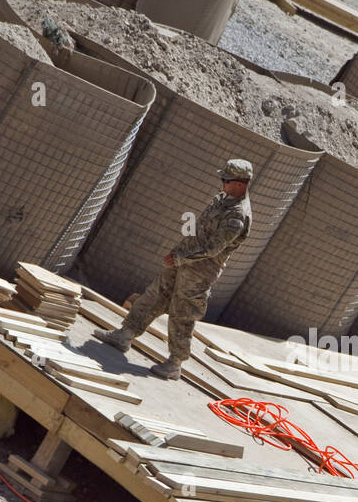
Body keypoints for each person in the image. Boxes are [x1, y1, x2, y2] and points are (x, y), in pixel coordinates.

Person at [97, 159, 253, 378]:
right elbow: (198, 231)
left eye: (225, 180)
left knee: (183, 313)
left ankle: (174, 364)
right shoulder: (222, 200)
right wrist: (178, 251)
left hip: (201, 271)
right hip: (183, 259)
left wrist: (180, 257)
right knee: (155, 294)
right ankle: (125, 334)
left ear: (240, 184)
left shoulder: (237, 215)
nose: (222, 183)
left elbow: (212, 249)